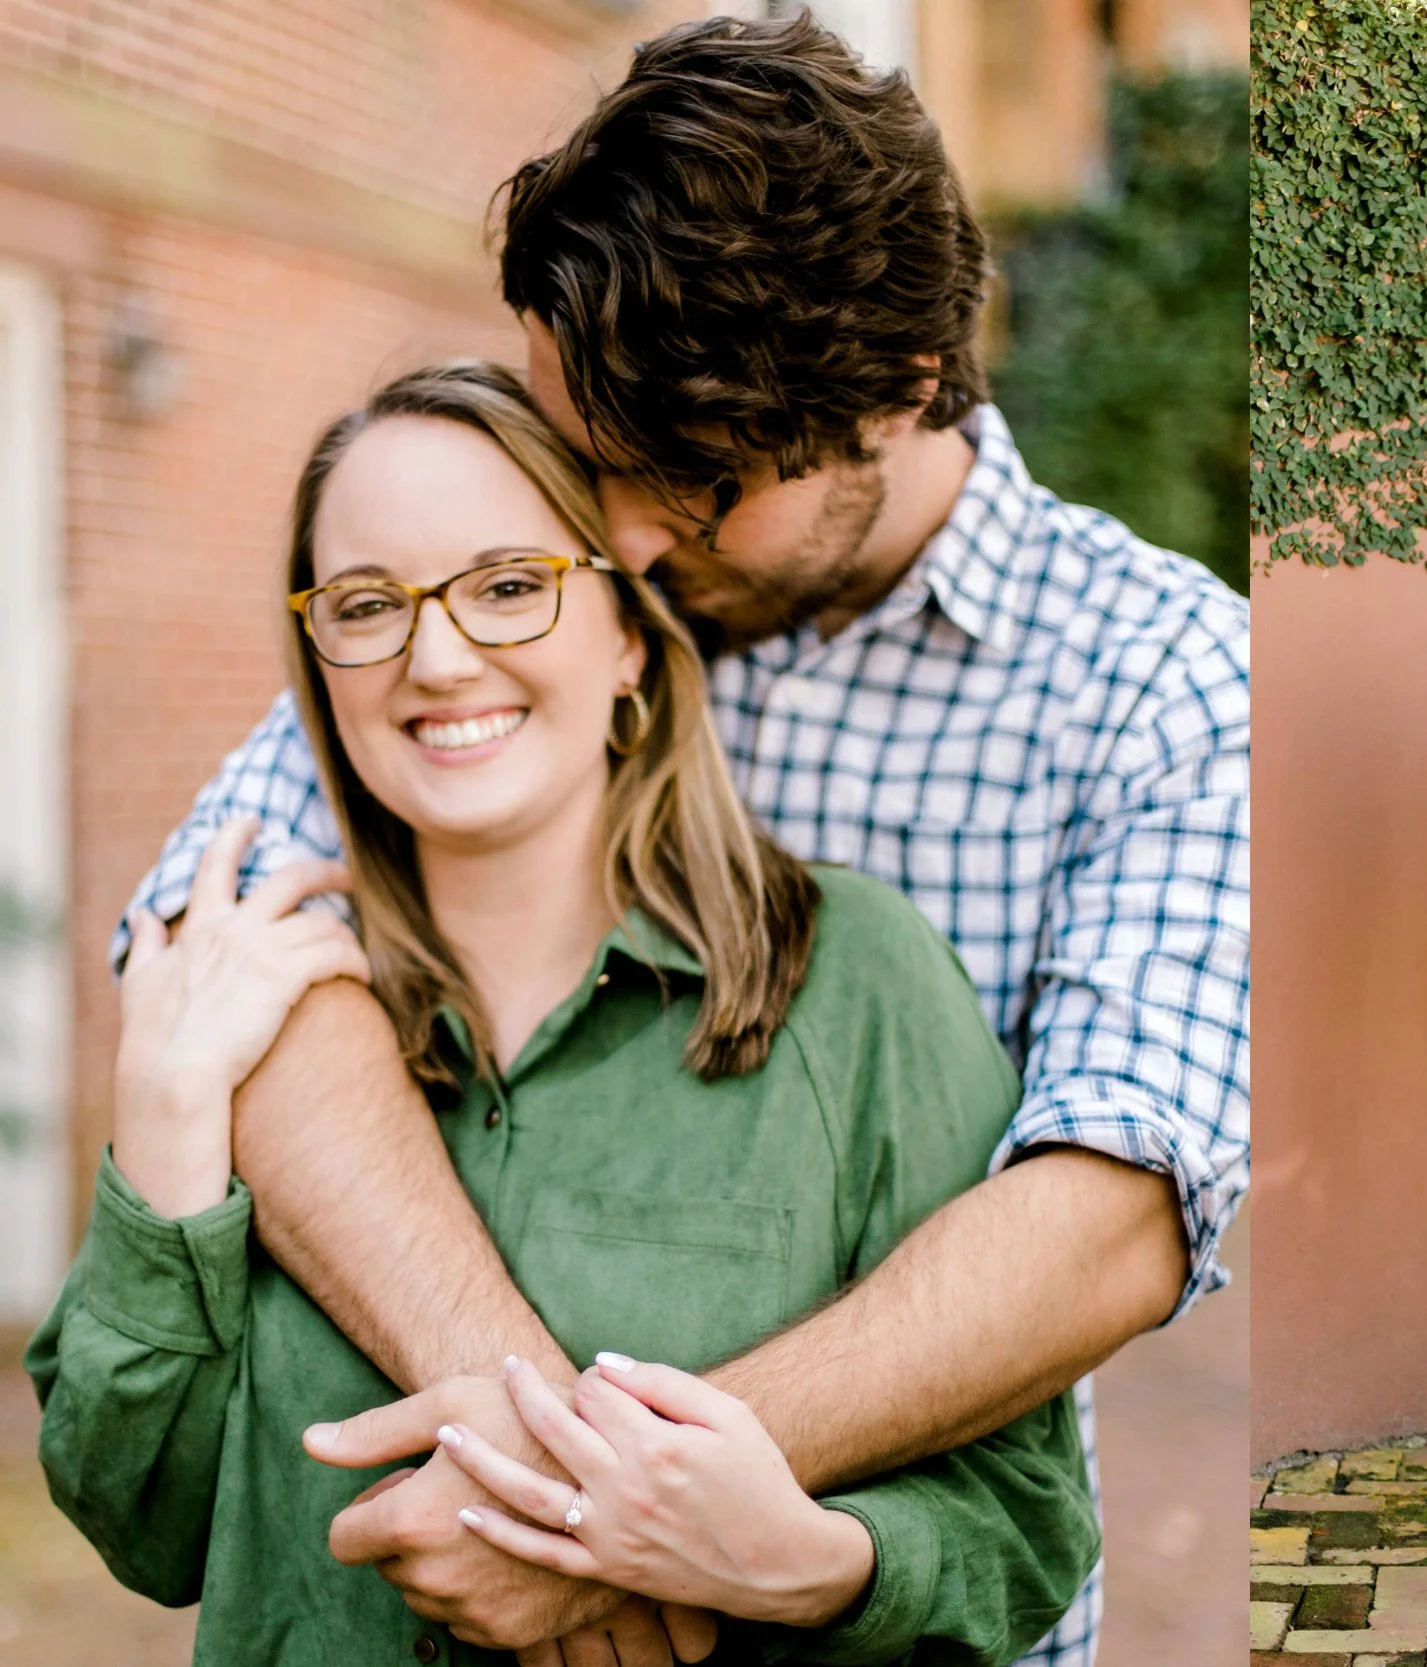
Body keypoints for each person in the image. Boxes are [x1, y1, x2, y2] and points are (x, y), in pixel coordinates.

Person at [102, 15, 1245, 1664]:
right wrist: (544, 1461)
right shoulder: (548, 596)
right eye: (592, 458)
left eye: (688, 481)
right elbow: (218, 947)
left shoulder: (1166, 680)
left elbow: (1120, 1206)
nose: (622, 537)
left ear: (900, 394)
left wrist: (610, 1517)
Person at [32, 362, 1096, 1663]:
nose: (435, 656)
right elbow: (142, 1522)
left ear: (631, 634)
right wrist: (166, 1108)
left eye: (507, 585)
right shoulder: (256, 1016)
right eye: (366, 603)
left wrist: (795, 1558)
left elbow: (1028, 1516)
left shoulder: (855, 980)